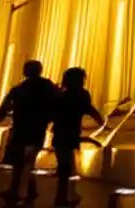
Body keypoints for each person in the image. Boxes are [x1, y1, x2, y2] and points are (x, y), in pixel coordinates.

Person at [0, 60, 56, 204]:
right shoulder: (48, 87)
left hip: (22, 129)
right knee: (27, 162)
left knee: (20, 163)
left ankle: (17, 191)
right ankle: (27, 190)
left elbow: (4, 108)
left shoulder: (20, 89)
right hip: (37, 129)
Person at [51, 67, 104, 207]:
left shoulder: (61, 95)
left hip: (61, 132)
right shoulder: (82, 94)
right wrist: (101, 121)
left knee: (64, 165)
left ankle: (62, 195)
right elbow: (90, 109)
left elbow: (52, 112)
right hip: (71, 132)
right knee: (67, 165)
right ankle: (65, 195)